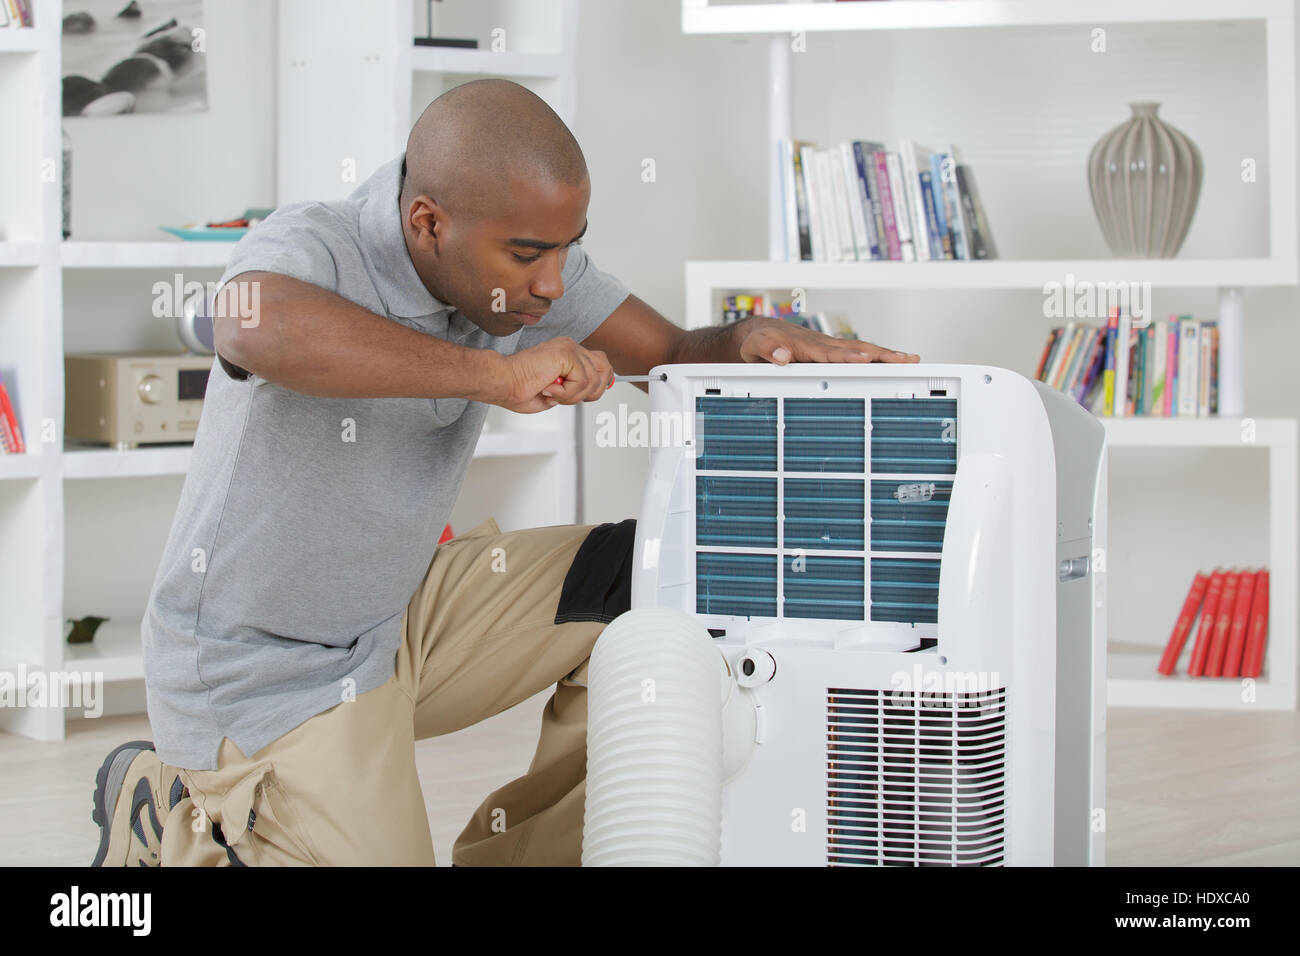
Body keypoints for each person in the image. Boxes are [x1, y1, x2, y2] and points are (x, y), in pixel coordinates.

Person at [89, 78, 919, 867]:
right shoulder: (315, 243)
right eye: (528, 254)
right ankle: (174, 813)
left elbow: (667, 351)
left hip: (402, 615)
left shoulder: (524, 278)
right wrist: (495, 374)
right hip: (264, 667)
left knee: (651, 581)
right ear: (427, 222)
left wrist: (740, 342)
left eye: (568, 249)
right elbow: (250, 326)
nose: (553, 284)